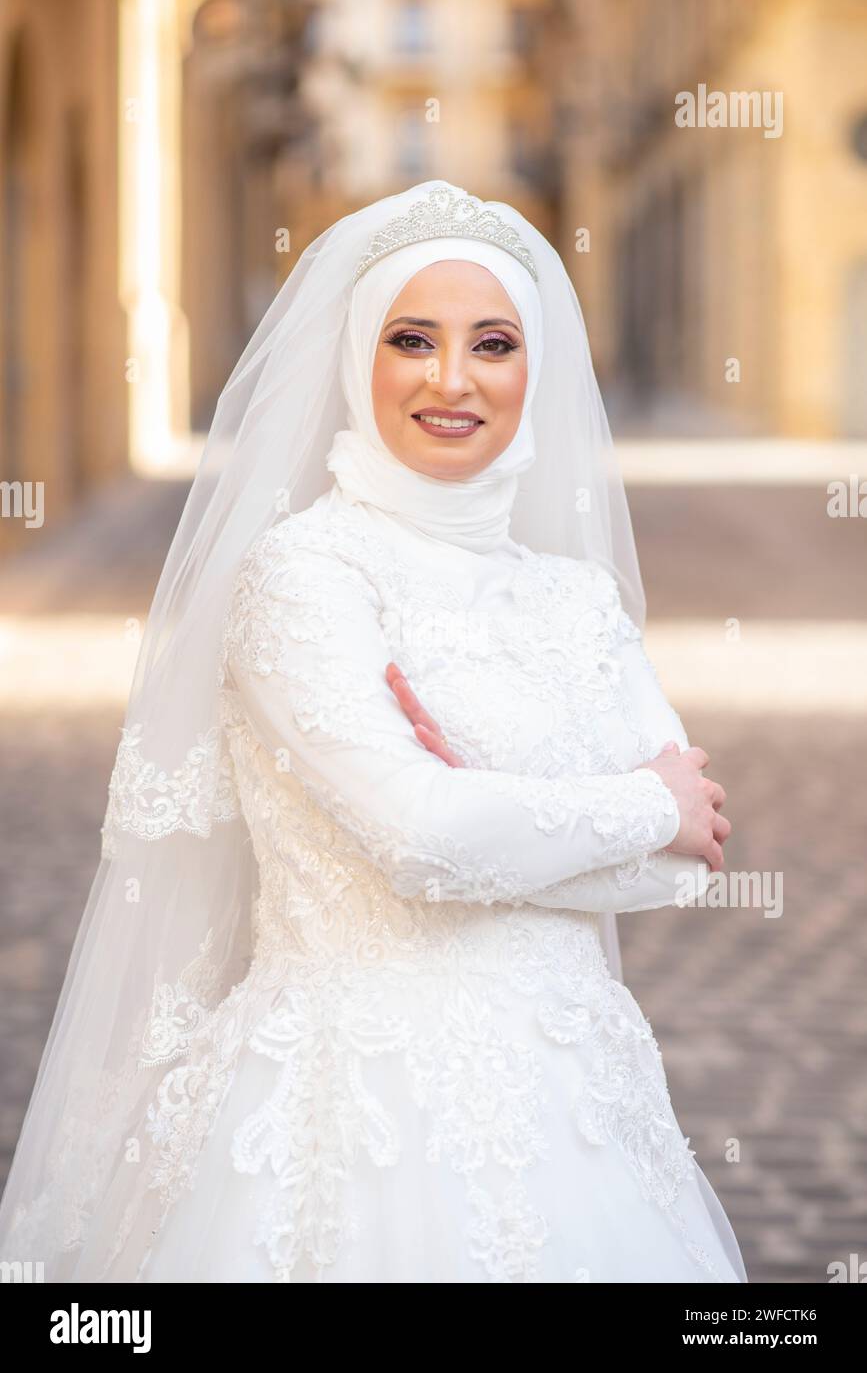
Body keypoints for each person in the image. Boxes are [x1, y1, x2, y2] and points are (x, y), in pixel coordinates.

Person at [0, 180, 746, 1283]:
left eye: (492, 343)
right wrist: (632, 801)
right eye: (413, 340)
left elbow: (689, 864)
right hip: (349, 1112)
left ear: (532, 367)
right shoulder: (304, 575)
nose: (454, 379)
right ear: (359, 361)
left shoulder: (577, 595)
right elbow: (420, 839)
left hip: (579, 1105)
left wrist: (501, 812)